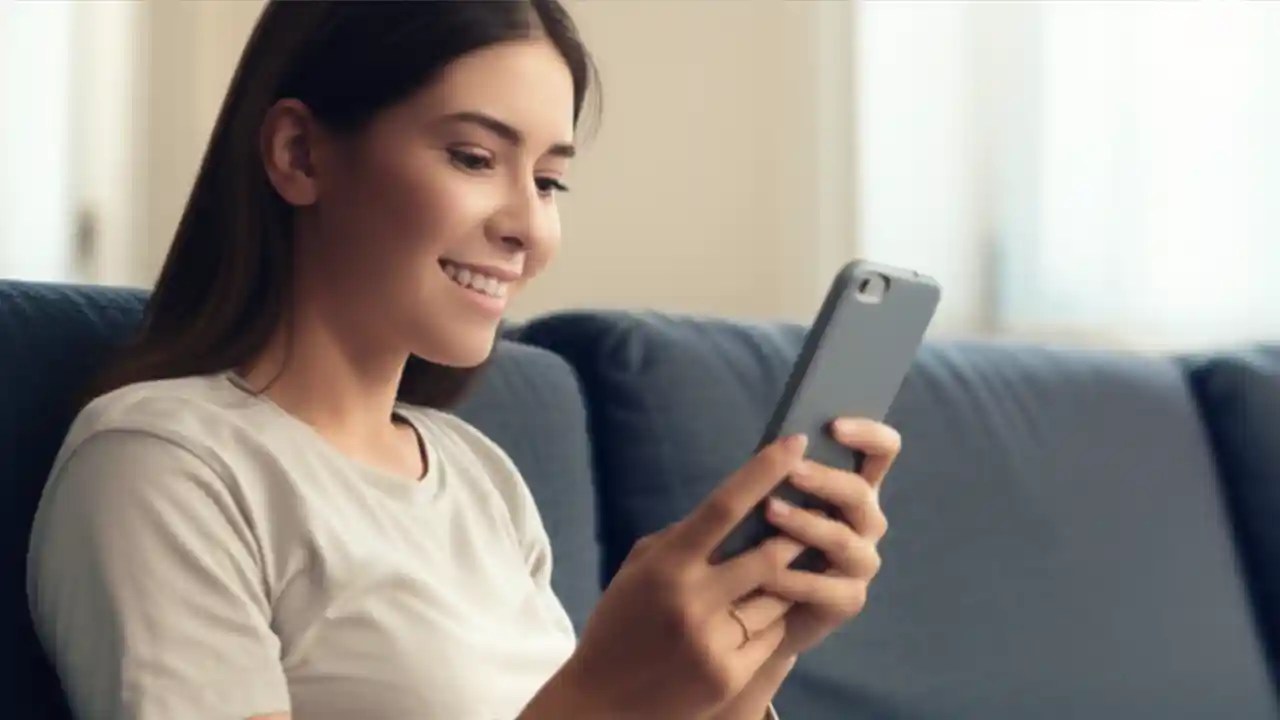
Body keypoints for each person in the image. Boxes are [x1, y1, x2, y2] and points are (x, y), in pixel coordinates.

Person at [26, 2, 901, 719]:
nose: (528, 225)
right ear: (300, 154)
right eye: (475, 157)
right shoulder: (164, 464)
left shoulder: (477, 476)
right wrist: (600, 699)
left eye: (550, 179)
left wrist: (753, 659)